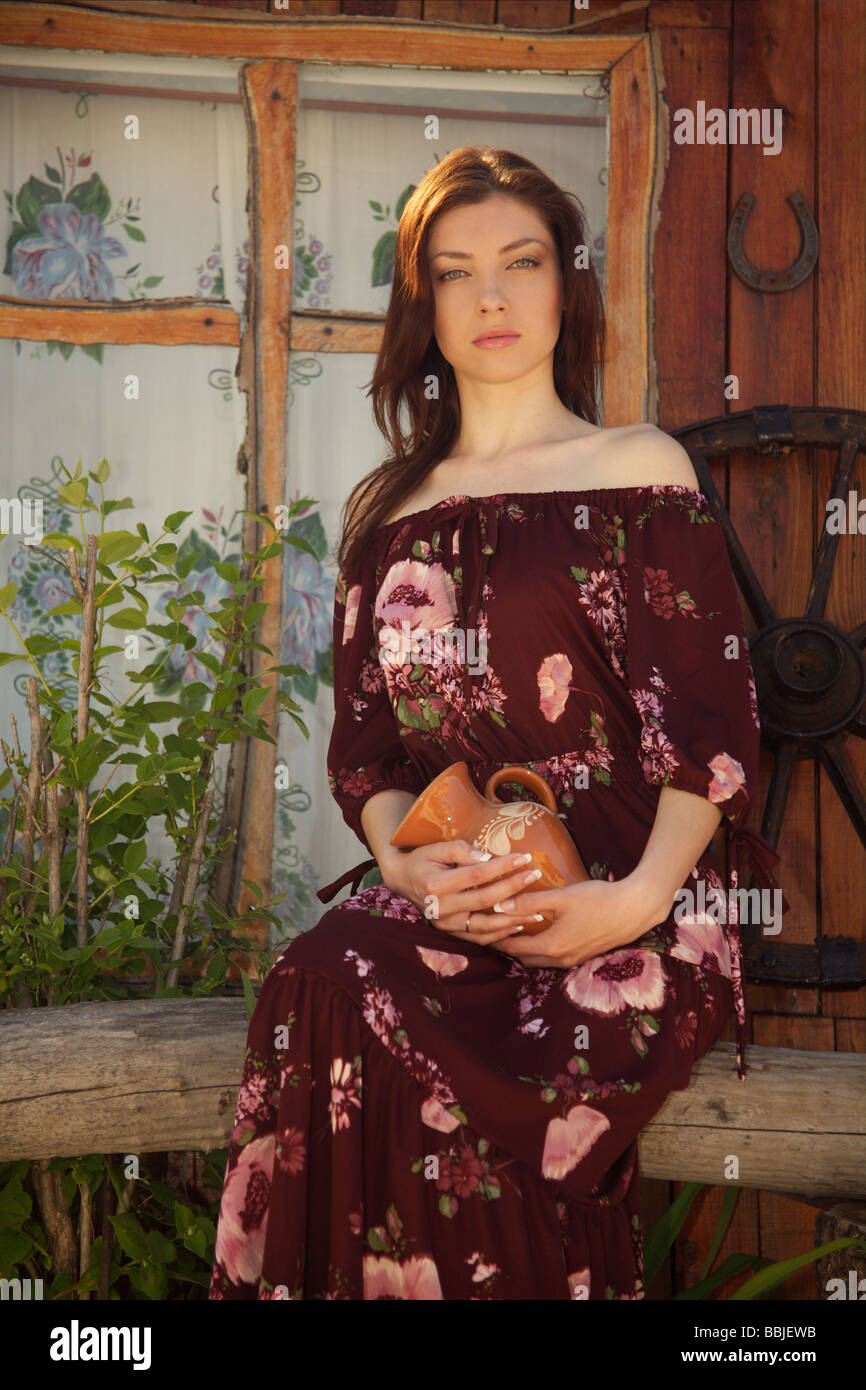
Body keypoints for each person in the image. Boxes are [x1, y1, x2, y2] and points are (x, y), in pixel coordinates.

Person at [209, 146, 783, 1301]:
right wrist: (414, 878)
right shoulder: (387, 510)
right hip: (459, 885)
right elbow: (367, 756)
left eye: (520, 263)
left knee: (504, 1064)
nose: (489, 297)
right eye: (454, 271)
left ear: (563, 285)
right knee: (326, 972)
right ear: (421, 306)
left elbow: (713, 735)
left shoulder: (636, 467)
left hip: (637, 887)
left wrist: (627, 901)